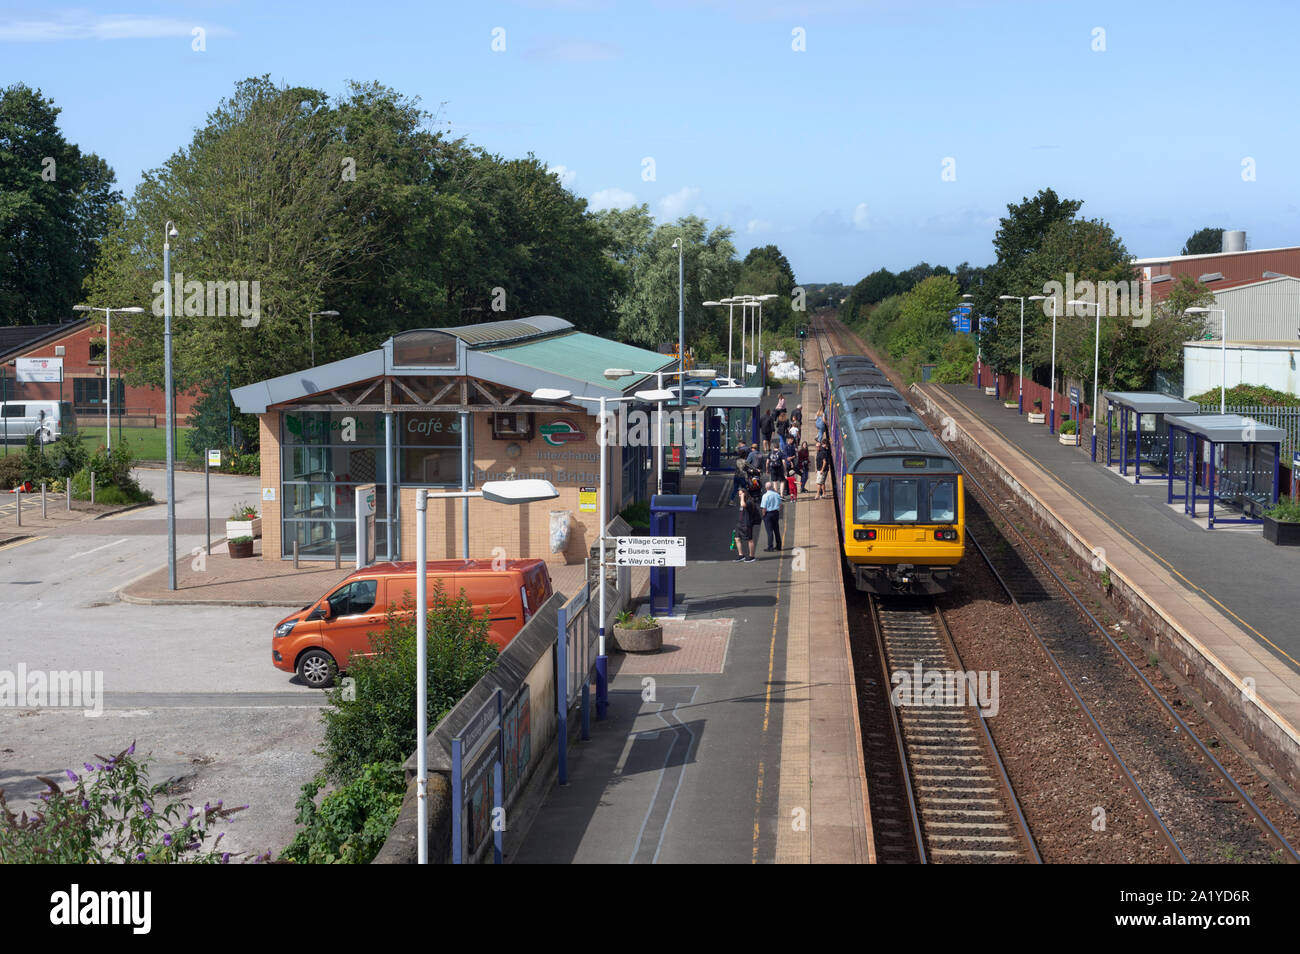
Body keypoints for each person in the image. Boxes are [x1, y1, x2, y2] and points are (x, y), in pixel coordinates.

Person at [734, 489, 759, 563]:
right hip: (740, 524)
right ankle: (741, 555)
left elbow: (743, 505)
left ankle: (752, 556)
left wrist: (742, 498)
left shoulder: (749, 502)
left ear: (745, 494)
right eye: (739, 494)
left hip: (747, 524)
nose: (739, 496)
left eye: (740, 494)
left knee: (749, 540)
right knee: (737, 539)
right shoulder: (743, 501)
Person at [761, 481, 783, 551]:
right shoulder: (776, 494)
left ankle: (770, 547)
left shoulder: (765, 496)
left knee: (769, 531)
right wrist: (777, 510)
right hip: (775, 513)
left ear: (766, 488)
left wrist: (763, 515)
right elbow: (780, 504)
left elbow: (764, 508)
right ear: (772, 487)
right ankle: (779, 546)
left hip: (768, 514)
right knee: (776, 530)